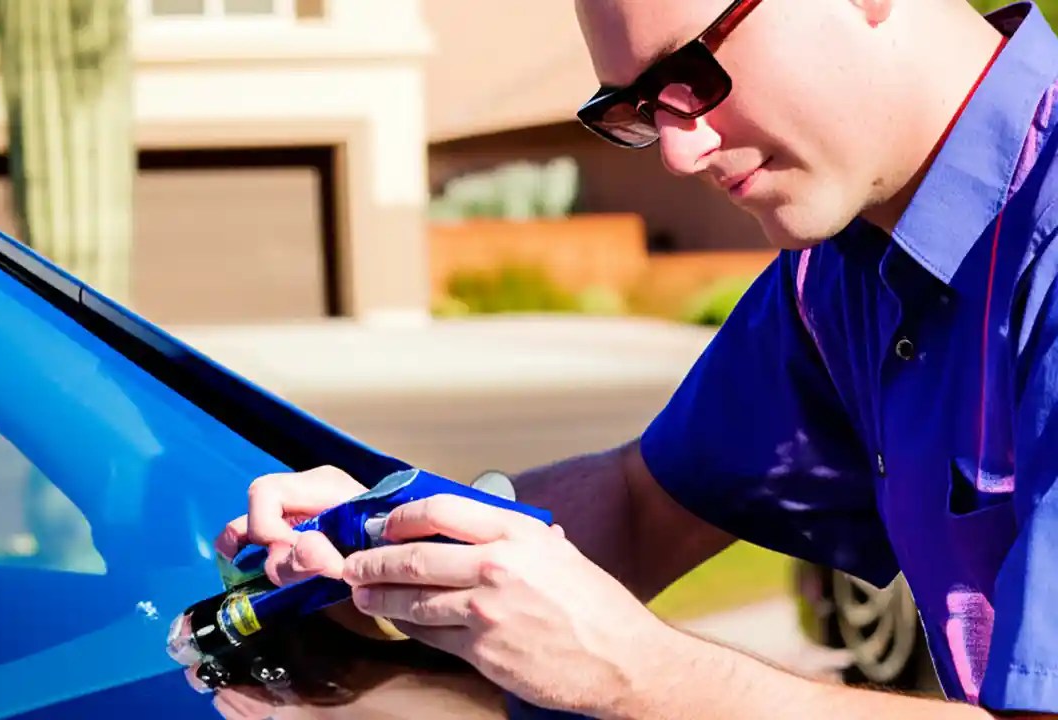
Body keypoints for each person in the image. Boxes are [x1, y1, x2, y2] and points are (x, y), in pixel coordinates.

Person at [191, 0, 1058, 717]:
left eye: (696, 75)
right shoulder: (840, 270)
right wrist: (380, 546)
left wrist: (642, 676)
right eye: (637, 111)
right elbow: (647, 504)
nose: (681, 151)